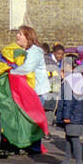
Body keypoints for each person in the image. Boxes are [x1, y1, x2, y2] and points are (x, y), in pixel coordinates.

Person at [12, 25, 51, 154]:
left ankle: (35, 146)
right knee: (26, 118)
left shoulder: (35, 51)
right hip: (27, 90)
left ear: (27, 37)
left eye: (20, 34)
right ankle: (27, 143)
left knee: (35, 118)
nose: (17, 36)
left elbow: (27, 68)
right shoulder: (22, 50)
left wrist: (10, 71)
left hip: (37, 91)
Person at [55, 59, 83, 164]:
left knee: (74, 138)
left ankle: (79, 163)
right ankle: (66, 161)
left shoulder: (70, 80)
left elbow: (68, 101)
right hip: (78, 114)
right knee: (69, 137)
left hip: (72, 115)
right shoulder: (80, 78)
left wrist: (66, 116)